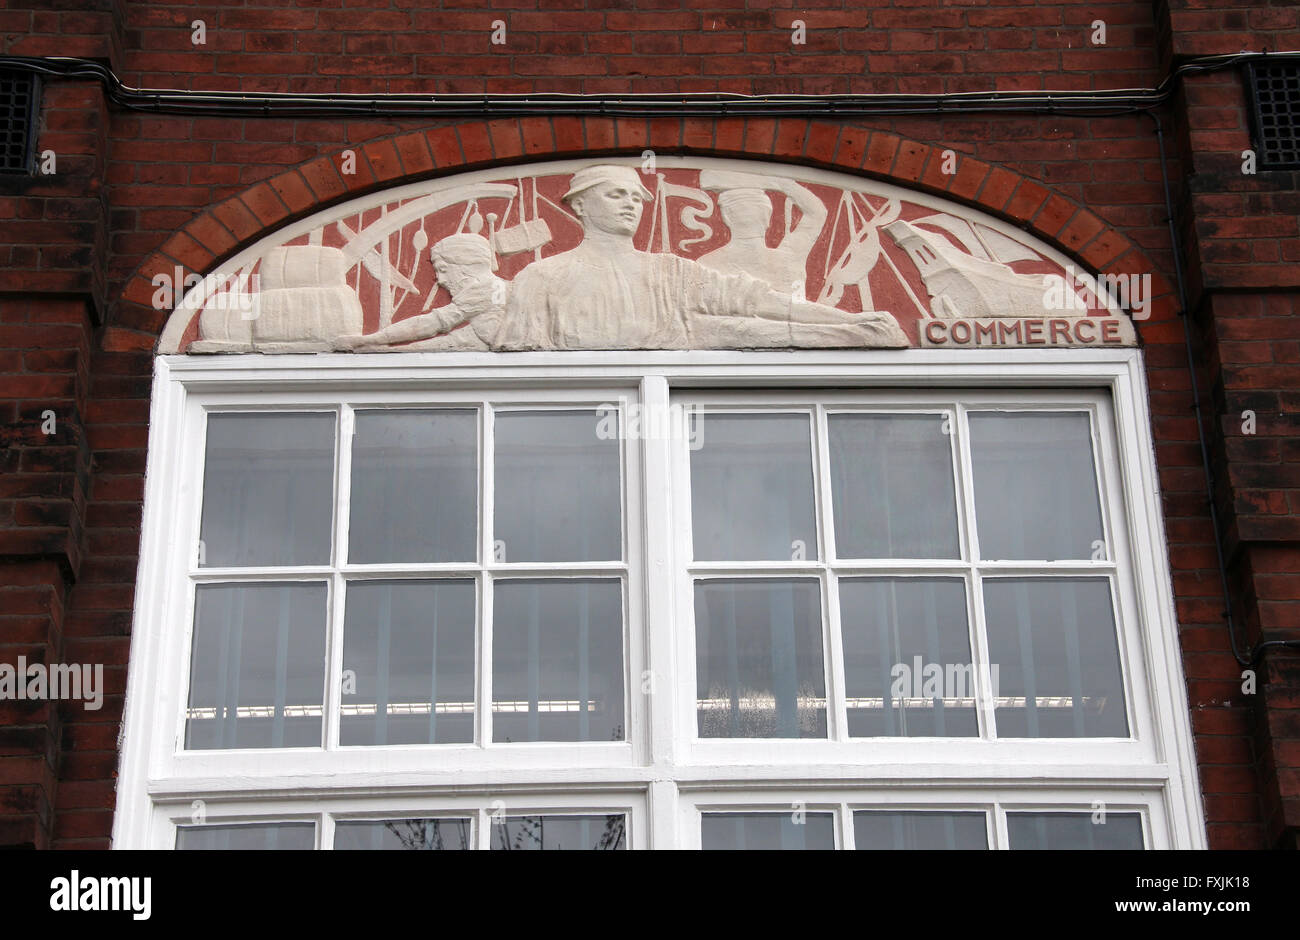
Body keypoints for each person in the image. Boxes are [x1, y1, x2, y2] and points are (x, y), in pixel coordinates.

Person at [492, 165, 907, 351]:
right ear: (579, 207)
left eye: (636, 197)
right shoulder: (541, 278)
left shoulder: (669, 270)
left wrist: (847, 321)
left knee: (752, 330)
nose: (631, 205)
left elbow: (755, 301)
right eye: (616, 194)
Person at [337, 233, 505, 351]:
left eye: (443, 269)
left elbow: (432, 324)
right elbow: (456, 341)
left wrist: (369, 340)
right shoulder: (496, 292)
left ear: (467, 264)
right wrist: (394, 349)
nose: (441, 280)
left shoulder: (487, 289)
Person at [697, 171, 827, 292]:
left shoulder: (706, 264)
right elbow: (817, 213)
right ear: (768, 219)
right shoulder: (788, 259)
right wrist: (781, 184)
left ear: (726, 218)